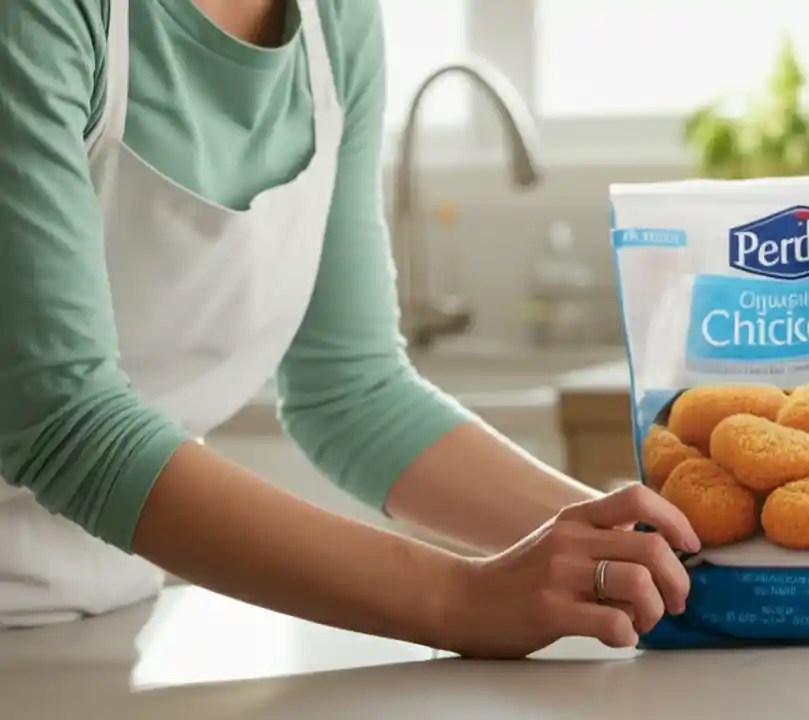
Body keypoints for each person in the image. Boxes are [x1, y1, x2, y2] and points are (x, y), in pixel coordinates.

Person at [0, 0, 698, 658]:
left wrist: (669, 555)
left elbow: (353, 392)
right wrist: (461, 598)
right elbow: (62, 417)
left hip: (106, 615)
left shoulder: (334, 24)